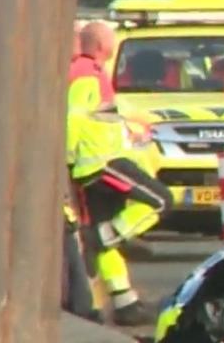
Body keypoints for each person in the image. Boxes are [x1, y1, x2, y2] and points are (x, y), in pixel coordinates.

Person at [68, 21, 172, 326]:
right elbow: (73, 119)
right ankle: (103, 237)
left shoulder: (92, 73)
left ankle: (125, 303)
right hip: (100, 163)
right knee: (160, 201)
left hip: (98, 162)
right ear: (102, 44)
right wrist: (69, 160)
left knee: (108, 233)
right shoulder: (87, 74)